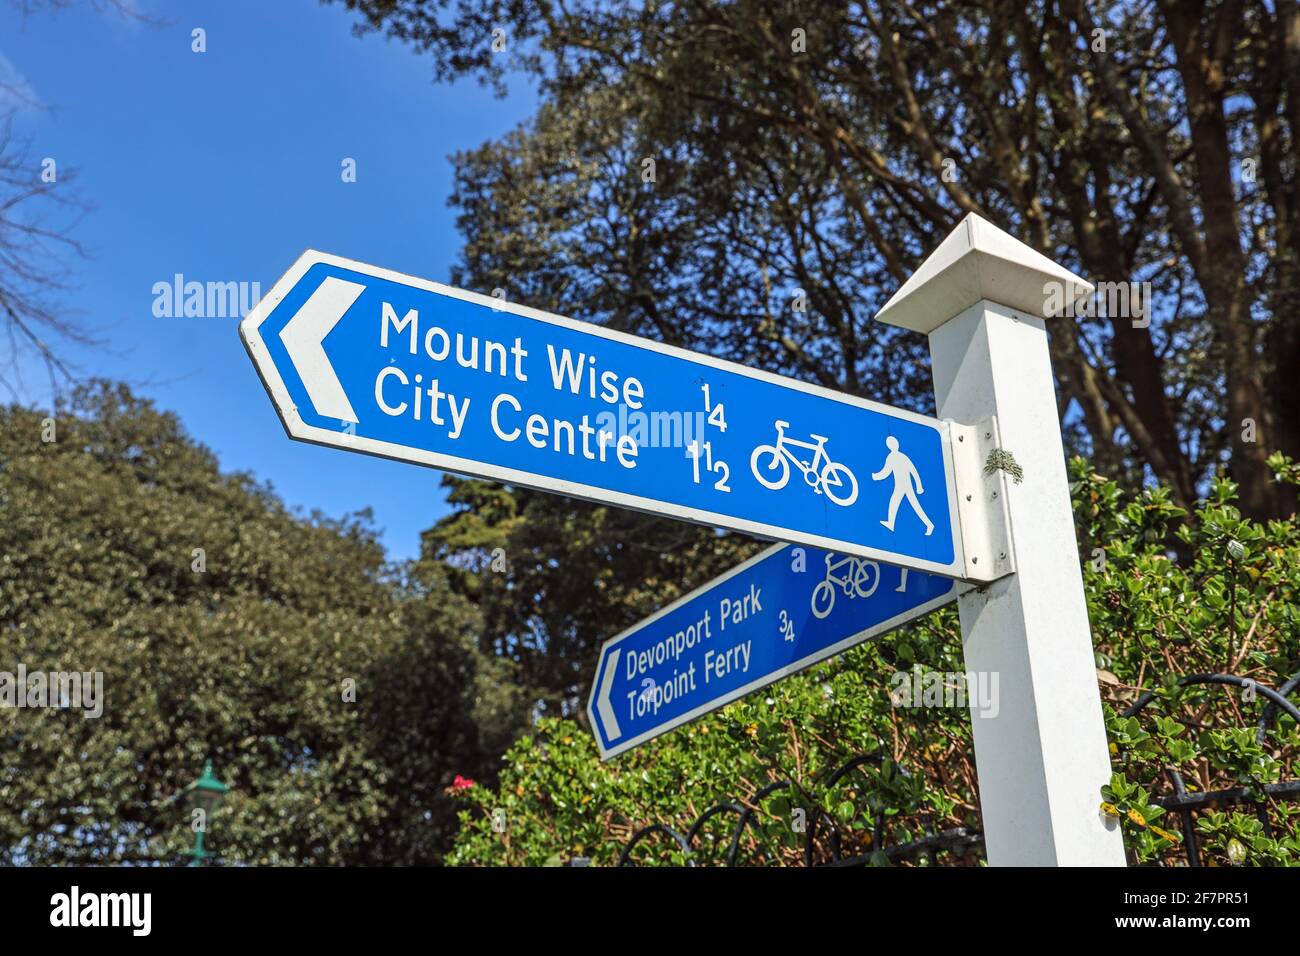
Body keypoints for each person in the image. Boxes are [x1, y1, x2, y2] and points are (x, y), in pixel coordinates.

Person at [871, 436, 934, 536]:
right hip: (902, 486)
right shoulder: (902, 456)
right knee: (897, 503)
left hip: (904, 486)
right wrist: (918, 486)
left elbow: (887, 472)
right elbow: (913, 472)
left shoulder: (893, 457)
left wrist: (875, 476)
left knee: (915, 506)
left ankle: (929, 525)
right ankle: (891, 523)